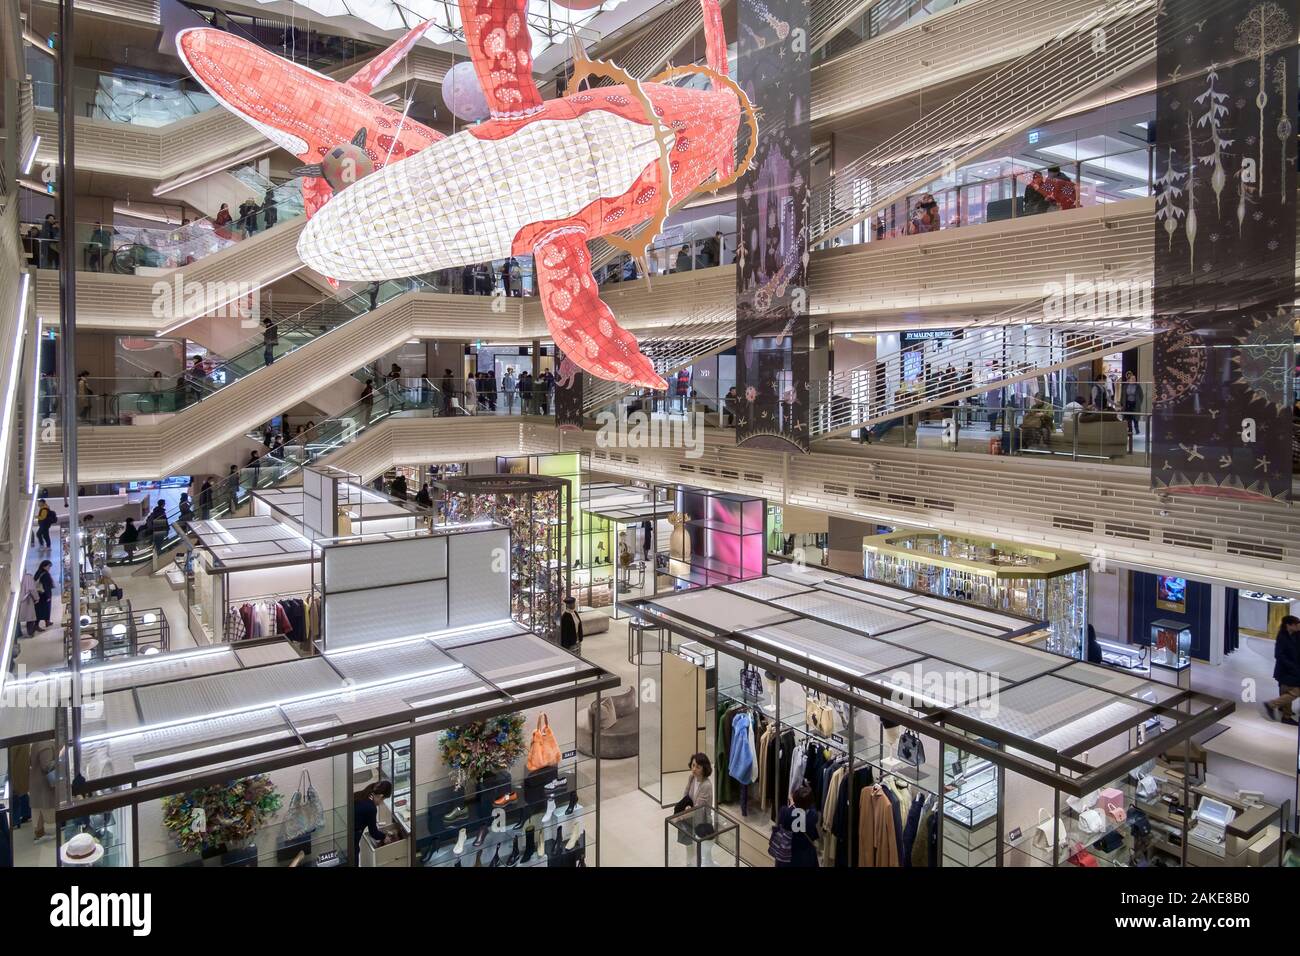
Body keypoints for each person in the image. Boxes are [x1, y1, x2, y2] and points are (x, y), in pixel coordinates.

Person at [1264, 616, 1300, 724]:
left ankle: (1282, 709)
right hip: (1286, 670)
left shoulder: (1297, 634)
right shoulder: (1282, 637)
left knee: (1286, 690)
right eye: (1296, 624)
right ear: (1288, 625)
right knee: (1293, 691)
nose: (1298, 626)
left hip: (1293, 668)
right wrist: (1293, 666)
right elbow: (1279, 655)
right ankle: (1277, 708)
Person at [775, 783, 820, 868]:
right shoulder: (812, 816)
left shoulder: (784, 812)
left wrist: (793, 804)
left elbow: (783, 820)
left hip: (787, 854)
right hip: (805, 855)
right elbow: (811, 808)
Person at [353, 780, 395, 862]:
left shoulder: (361, 794)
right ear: (381, 796)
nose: (381, 803)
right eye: (383, 800)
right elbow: (373, 833)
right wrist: (384, 837)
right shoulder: (371, 808)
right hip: (353, 838)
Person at [33, 559, 55, 630]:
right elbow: (46, 586)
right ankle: (36, 625)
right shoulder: (45, 574)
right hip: (44, 595)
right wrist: (48, 596)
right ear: (44, 566)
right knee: (43, 610)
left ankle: (47, 621)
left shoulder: (38, 572)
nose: (49, 568)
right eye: (49, 566)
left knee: (42, 609)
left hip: (39, 594)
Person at [1120, 371, 1143, 436]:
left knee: (1135, 417)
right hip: (1127, 404)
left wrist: (1139, 403)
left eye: (1135, 379)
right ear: (1129, 380)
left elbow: (1141, 395)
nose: (1134, 380)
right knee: (1128, 417)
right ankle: (1130, 430)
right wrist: (1121, 403)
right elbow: (1122, 395)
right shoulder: (1125, 386)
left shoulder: (1137, 386)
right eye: (1132, 379)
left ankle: (1137, 429)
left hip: (1135, 404)